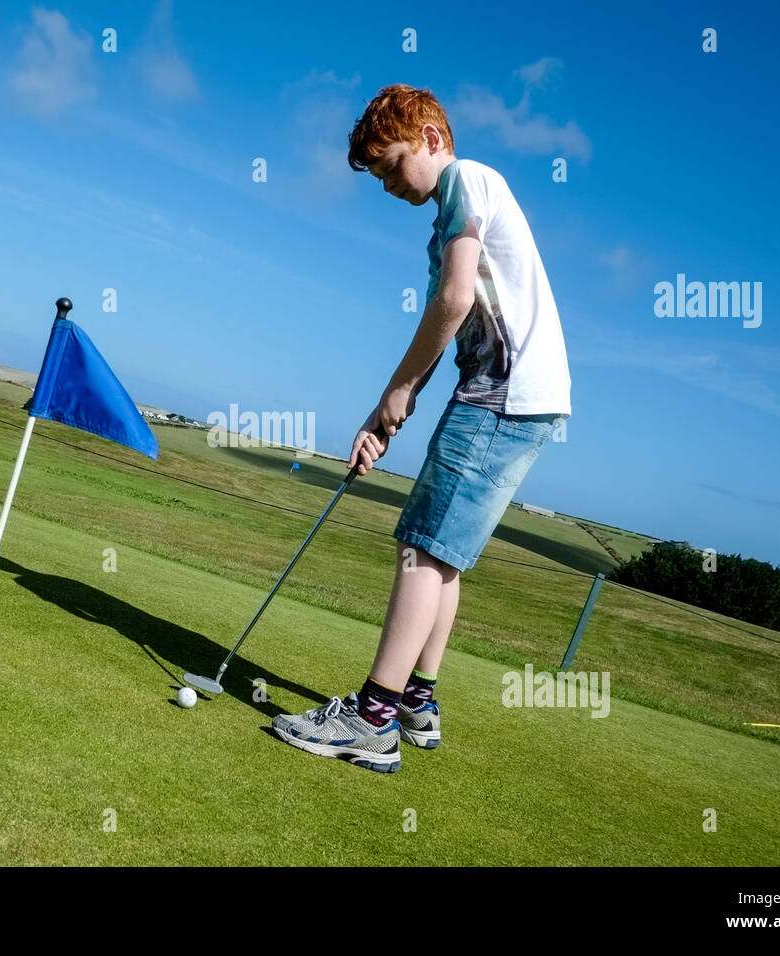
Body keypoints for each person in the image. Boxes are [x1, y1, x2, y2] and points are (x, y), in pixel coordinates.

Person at [271, 84, 572, 772]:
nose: (384, 183)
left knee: (419, 547)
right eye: (375, 174)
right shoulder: (450, 220)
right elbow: (452, 322)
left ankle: (372, 719)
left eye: (390, 162)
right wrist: (392, 410)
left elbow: (454, 298)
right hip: (516, 396)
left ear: (433, 137)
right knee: (444, 552)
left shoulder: (467, 181)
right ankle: (416, 700)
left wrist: (399, 387)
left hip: (501, 397)